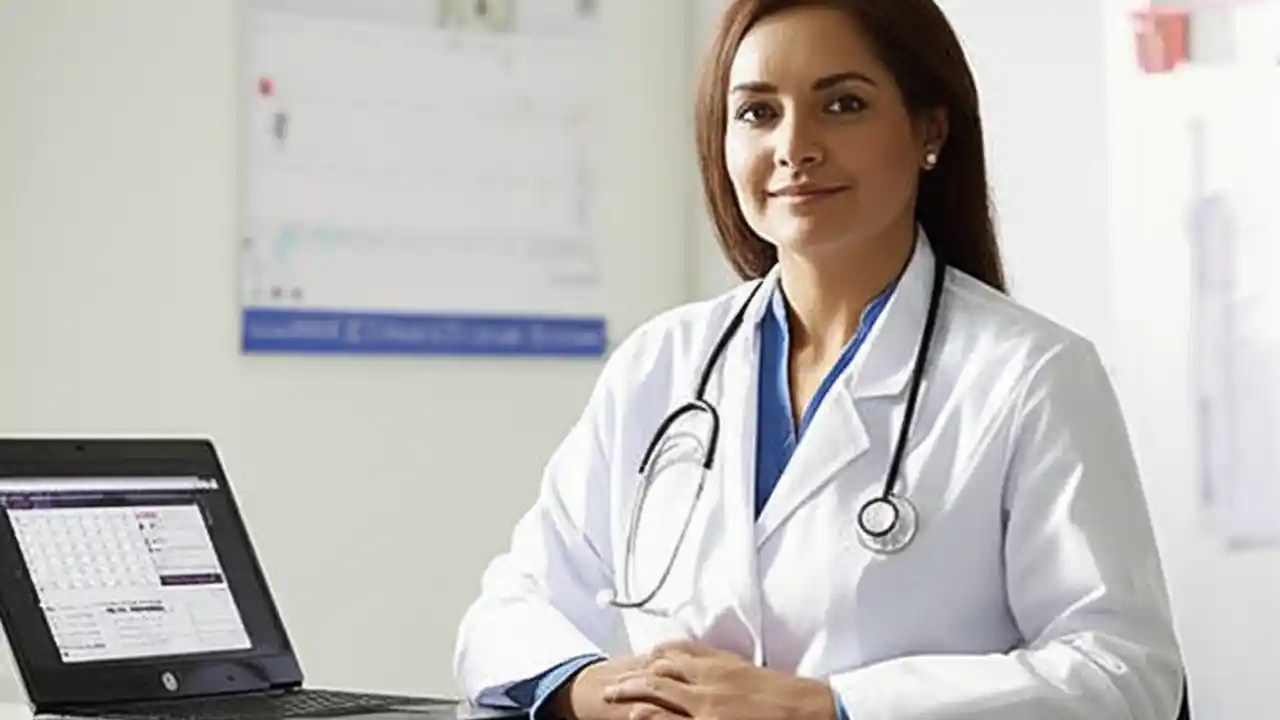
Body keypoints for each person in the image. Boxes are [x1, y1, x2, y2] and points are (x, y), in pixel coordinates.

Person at [453, 0, 1185, 718]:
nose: (794, 147)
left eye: (842, 105)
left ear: (929, 130)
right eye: (757, 112)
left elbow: (1121, 673)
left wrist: (828, 708)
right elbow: (510, 610)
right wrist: (603, 691)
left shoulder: (1031, 375)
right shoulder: (661, 365)